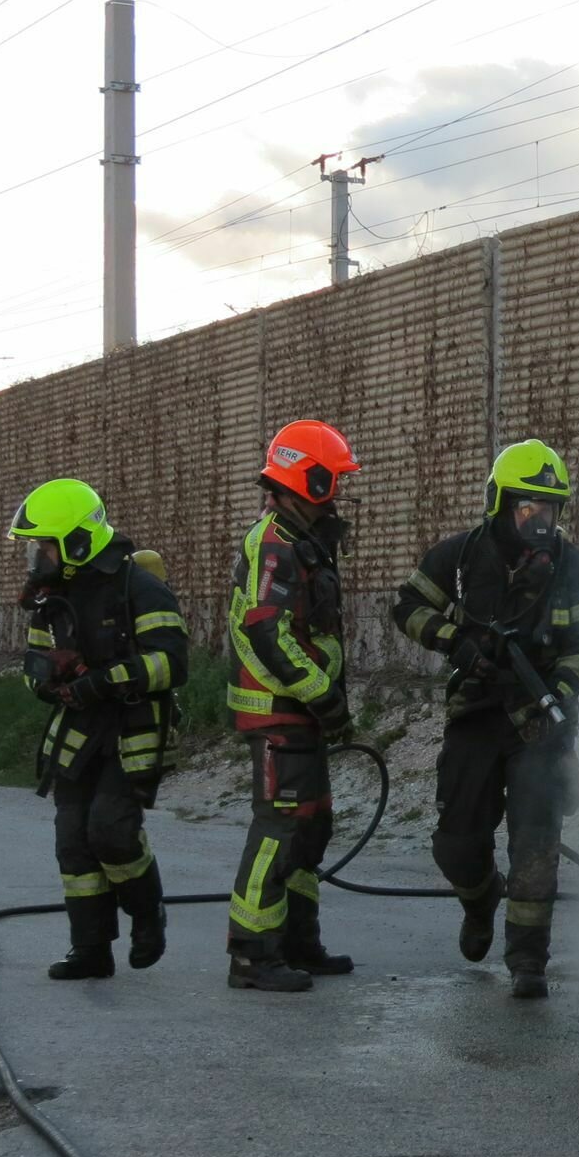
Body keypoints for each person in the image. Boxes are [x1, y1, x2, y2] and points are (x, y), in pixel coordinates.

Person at [390, 439, 579, 999]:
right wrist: (455, 641)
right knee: (456, 843)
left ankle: (528, 961)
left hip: (539, 723)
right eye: (528, 507)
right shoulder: (462, 556)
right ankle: (480, 896)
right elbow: (407, 604)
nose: (539, 520)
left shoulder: (572, 568)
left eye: (550, 509)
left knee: (537, 840)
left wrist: (560, 687)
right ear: (500, 502)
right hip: (476, 715)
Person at [10, 478, 187, 980]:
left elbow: (172, 664)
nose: (36, 557)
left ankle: (147, 912)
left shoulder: (141, 588)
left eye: (44, 545)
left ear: (78, 541)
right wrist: (49, 679)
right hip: (78, 729)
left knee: (110, 830)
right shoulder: (53, 598)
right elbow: (34, 663)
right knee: (73, 838)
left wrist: (102, 681)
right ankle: (90, 950)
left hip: (132, 727)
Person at [224, 419, 361, 992]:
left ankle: (299, 941)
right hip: (279, 712)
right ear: (308, 479)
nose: (337, 494)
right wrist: (322, 695)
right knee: (278, 828)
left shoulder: (299, 539)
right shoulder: (274, 544)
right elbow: (266, 631)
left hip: (300, 712)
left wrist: (322, 701)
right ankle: (252, 955)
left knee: (311, 827)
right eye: (332, 480)